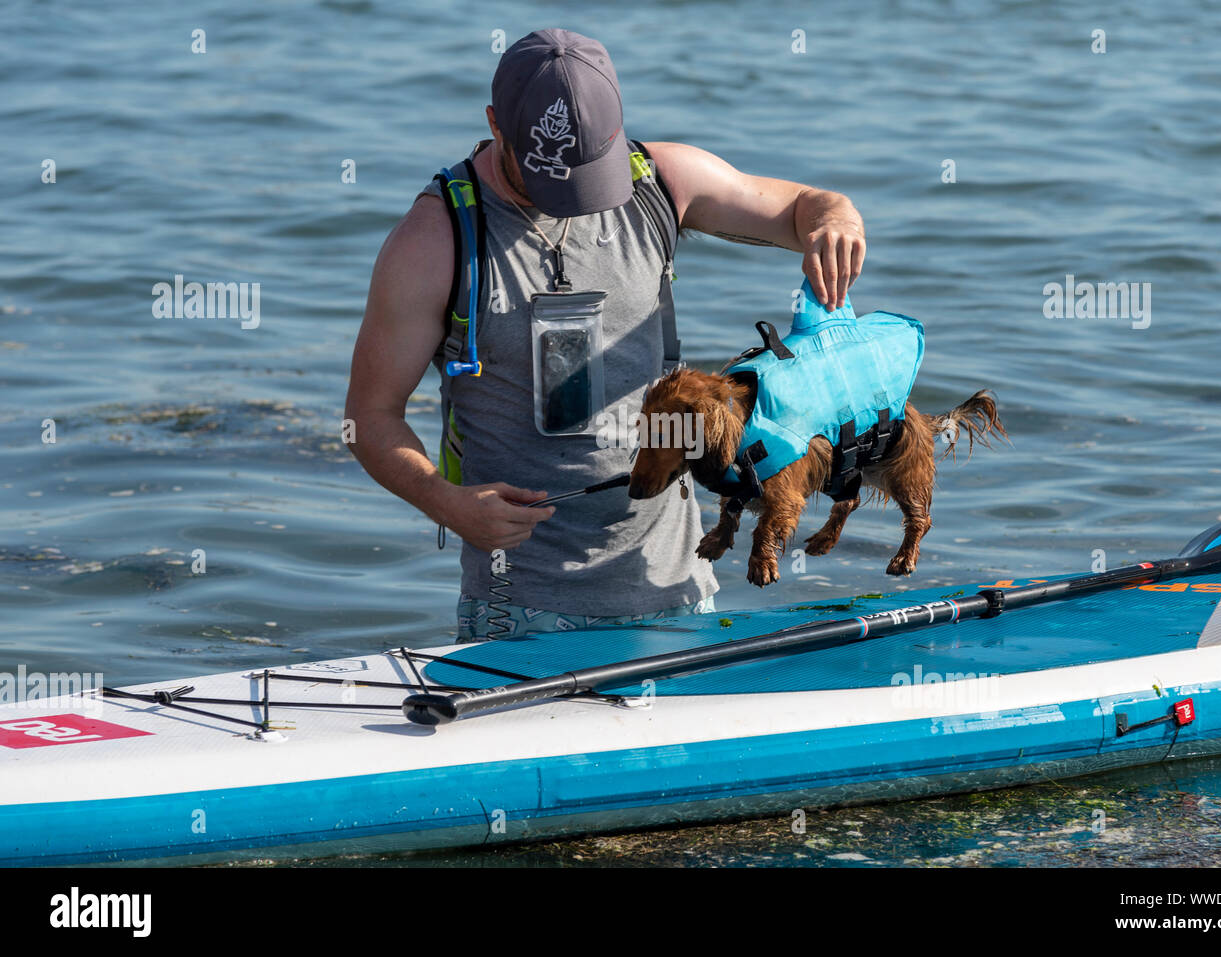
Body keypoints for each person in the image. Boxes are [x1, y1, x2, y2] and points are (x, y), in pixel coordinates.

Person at [345, 28, 866, 640]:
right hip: (522, 606)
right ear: (494, 123)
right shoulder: (434, 242)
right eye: (550, 175)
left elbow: (805, 204)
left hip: (678, 586)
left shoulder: (662, 180)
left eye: (588, 171)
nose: (573, 197)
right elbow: (369, 418)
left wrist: (835, 220)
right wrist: (447, 504)